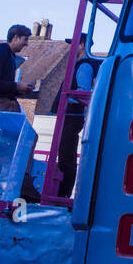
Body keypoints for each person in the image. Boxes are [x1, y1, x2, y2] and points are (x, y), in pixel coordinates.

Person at [0, 25, 40, 203]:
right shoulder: (0, 52)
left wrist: (19, 90)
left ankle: (18, 180)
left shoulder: (7, 55)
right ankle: (21, 181)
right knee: (26, 137)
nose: (26, 44)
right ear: (15, 37)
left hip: (1, 101)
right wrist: (16, 87)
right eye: (25, 39)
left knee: (22, 138)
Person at [55, 34, 99, 199]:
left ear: (81, 45)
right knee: (66, 155)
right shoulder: (81, 64)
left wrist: (65, 99)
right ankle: (62, 193)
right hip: (71, 115)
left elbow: (83, 91)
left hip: (72, 116)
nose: (70, 48)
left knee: (67, 156)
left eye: (73, 44)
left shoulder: (84, 65)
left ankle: (63, 194)